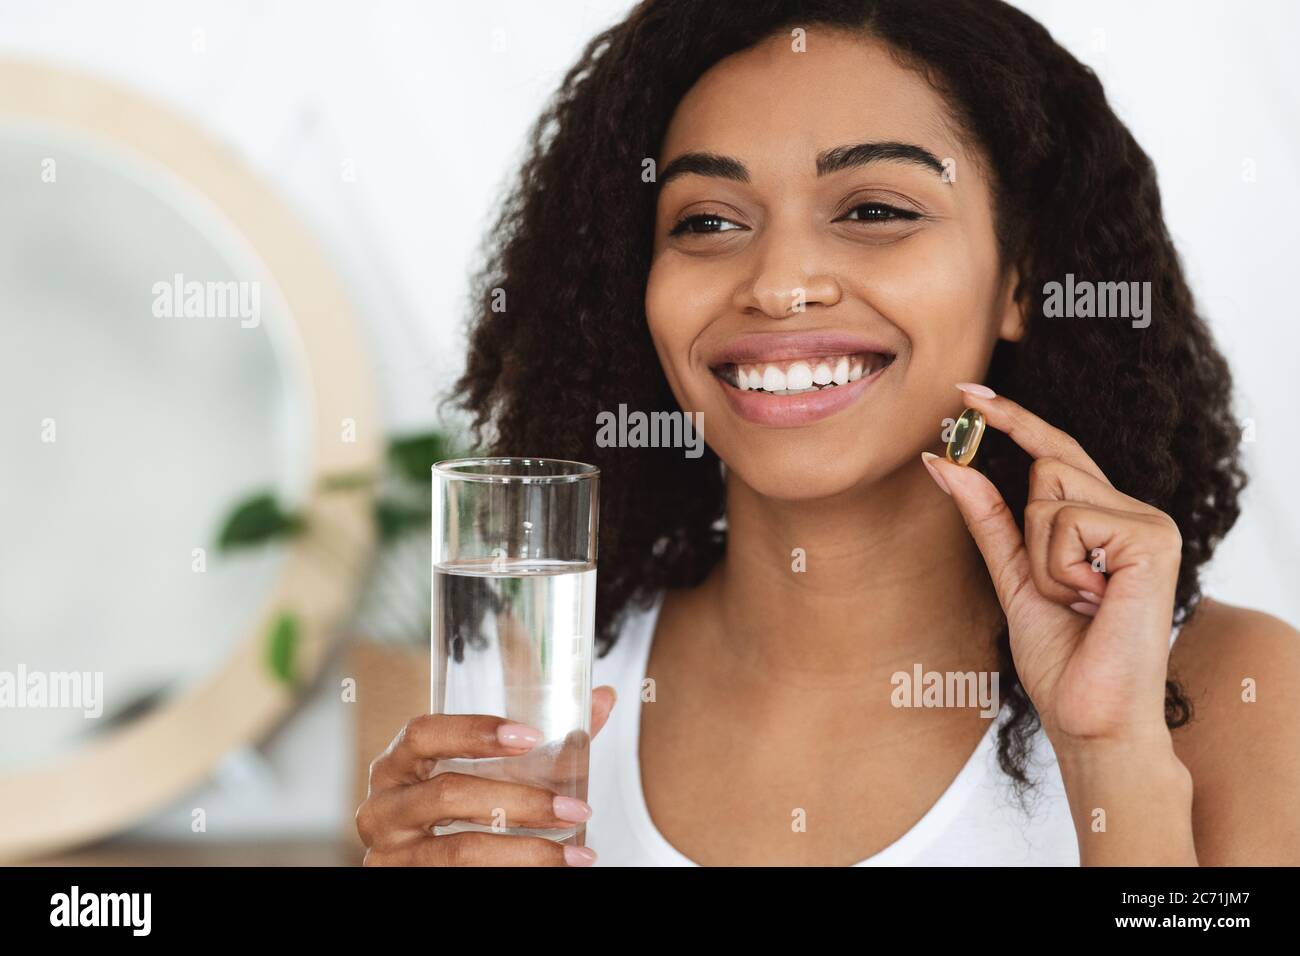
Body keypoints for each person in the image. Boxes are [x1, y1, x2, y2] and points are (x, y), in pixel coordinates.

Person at [355, 0, 1300, 866]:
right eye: (709, 220)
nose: (778, 283)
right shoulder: (516, 708)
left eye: (875, 211)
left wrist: (1111, 759)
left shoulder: (1233, 695)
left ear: (1021, 277)